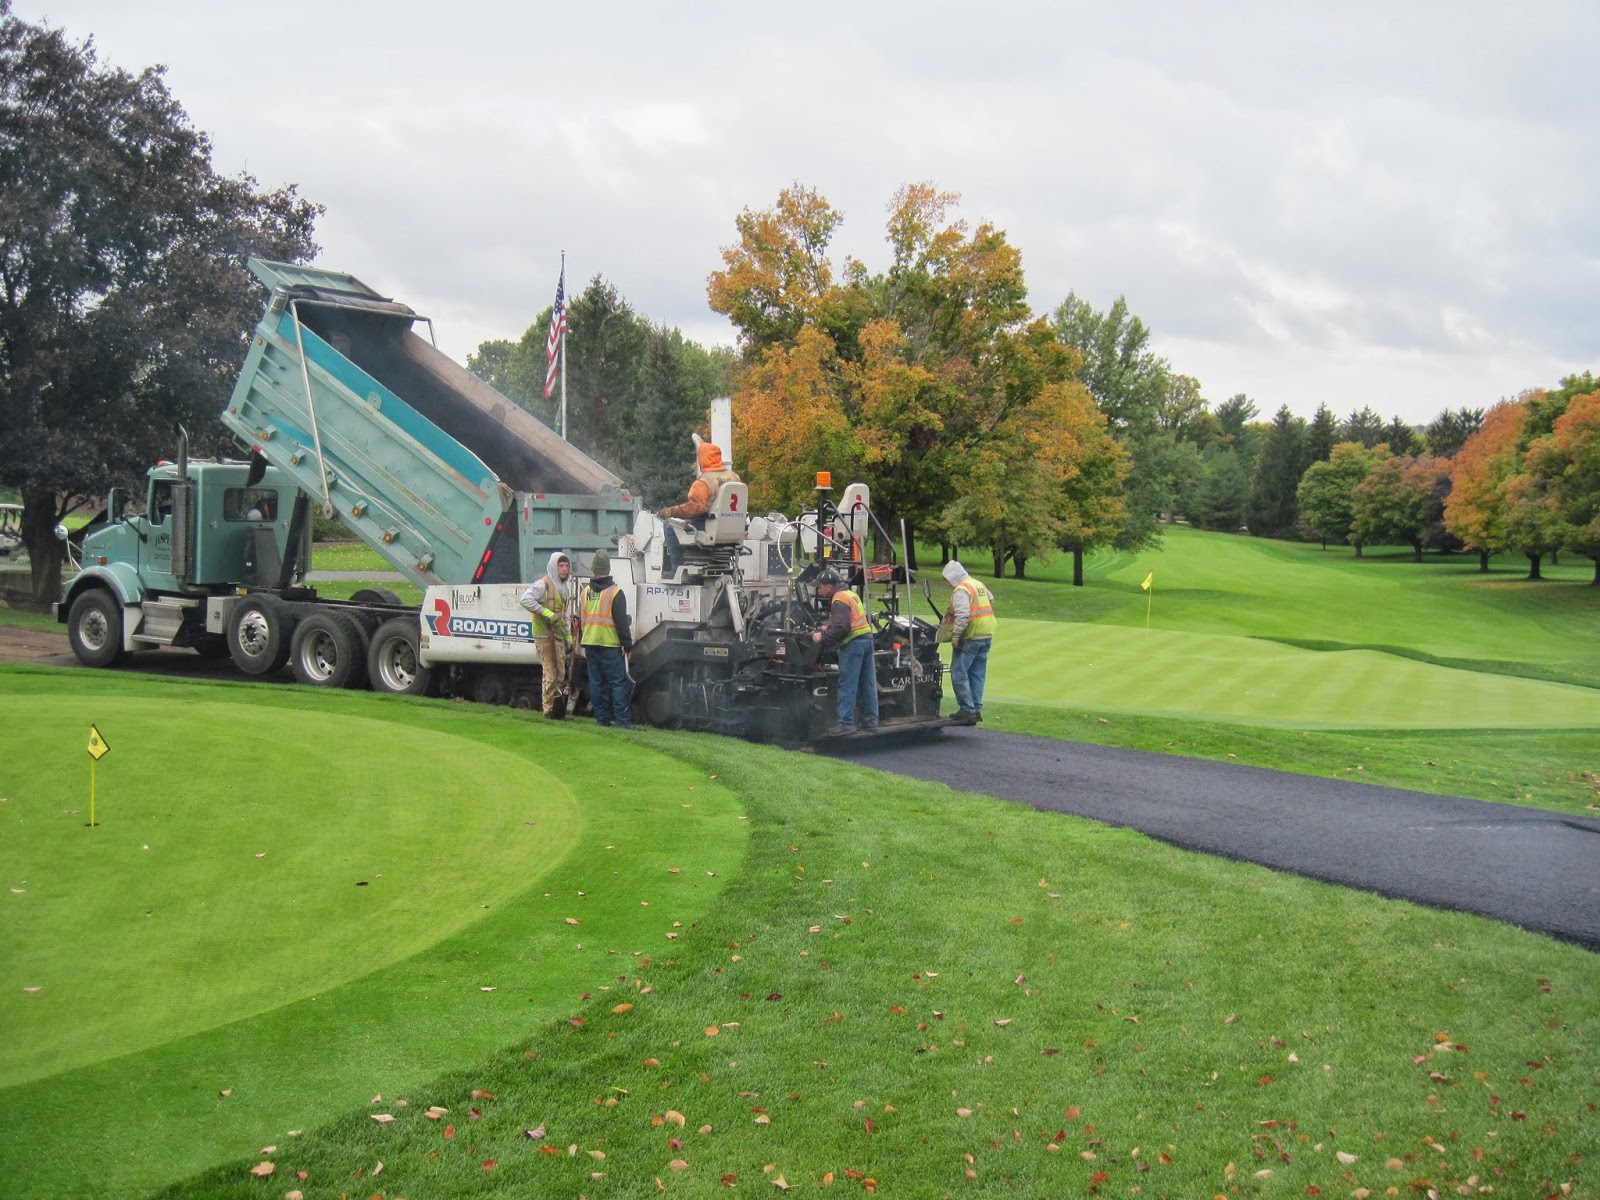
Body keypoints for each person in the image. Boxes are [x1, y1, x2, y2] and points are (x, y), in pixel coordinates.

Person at [810, 568, 879, 735]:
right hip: (867, 640)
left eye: (820, 587)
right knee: (868, 683)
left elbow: (843, 628)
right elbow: (850, 620)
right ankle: (871, 720)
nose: (819, 590)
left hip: (853, 644)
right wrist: (830, 626)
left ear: (828, 586)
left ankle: (845, 723)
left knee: (847, 683)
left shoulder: (838, 600)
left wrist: (823, 636)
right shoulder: (850, 594)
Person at [579, 549, 634, 728]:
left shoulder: (585, 591)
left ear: (593, 569)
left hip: (590, 642)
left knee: (596, 683)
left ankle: (601, 720)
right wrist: (628, 646)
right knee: (618, 683)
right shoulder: (615, 593)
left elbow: (583, 617)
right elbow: (621, 624)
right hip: (610, 644)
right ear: (608, 569)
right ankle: (622, 722)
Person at [519, 551, 573, 719]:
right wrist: (546, 613)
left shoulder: (564, 588)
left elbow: (564, 615)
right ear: (553, 567)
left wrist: (568, 637)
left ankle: (556, 709)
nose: (564, 569)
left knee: (561, 674)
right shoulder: (543, 585)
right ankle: (548, 710)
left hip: (557, 636)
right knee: (550, 674)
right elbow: (525, 600)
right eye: (561, 566)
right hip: (544, 635)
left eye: (566, 566)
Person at [942, 559, 997, 725]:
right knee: (977, 674)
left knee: (959, 672)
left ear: (952, 577)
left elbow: (963, 615)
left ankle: (967, 708)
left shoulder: (961, 590)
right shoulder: (977, 584)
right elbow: (990, 599)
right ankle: (976, 708)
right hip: (986, 634)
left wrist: (956, 636)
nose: (947, 584)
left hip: (971, 636)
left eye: (947, 580)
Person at [657, 439, 740, 522]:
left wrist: (671, 511)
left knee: (669, 526)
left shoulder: (704, 482)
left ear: (702, 458)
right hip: (734, 525)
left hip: (710, 525)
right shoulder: (734, 477)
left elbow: (695, 508)